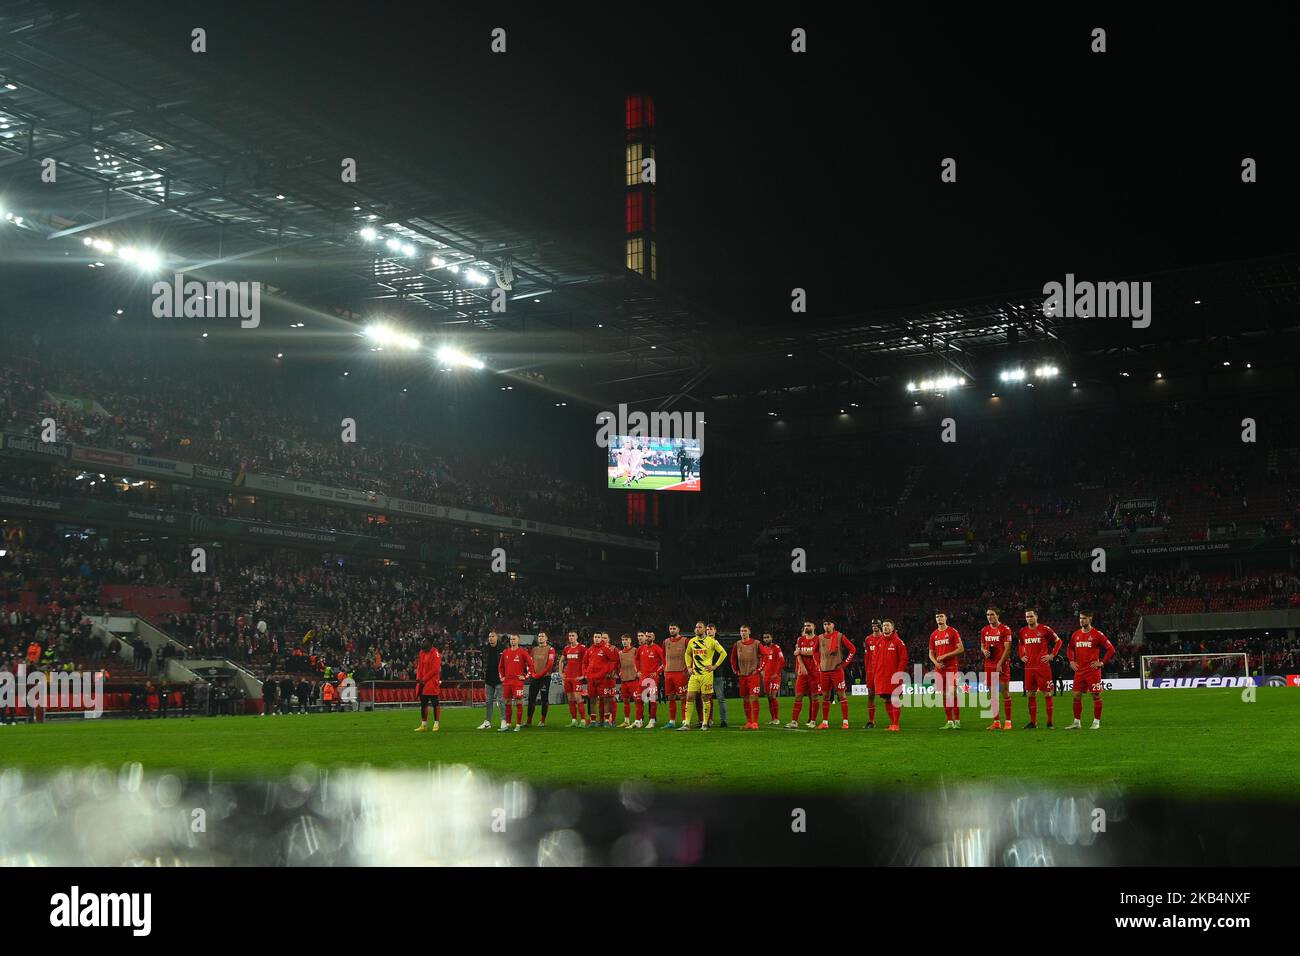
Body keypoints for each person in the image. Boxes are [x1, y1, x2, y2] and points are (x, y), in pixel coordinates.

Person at [1065, 611, 1115, 730]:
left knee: (1096, 696)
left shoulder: (1097, 634)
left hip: (1093, 671)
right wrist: (1071, 661)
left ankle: (1096, 721)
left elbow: (1111, 649)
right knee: (1076, 696)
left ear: (1090, 619)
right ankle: (1077, 722)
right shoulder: (1076, 634)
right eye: (1080, 618)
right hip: (1079, 671)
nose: (1082, 620)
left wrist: (1101, 662)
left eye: (1084, 618)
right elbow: (1070, 649)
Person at [678, 620, 726, 731]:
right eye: (696, 627)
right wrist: (689, 667)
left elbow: (723, 653)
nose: (697, 629)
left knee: (705, 698)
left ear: (704, 629)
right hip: (695, 674)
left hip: (706, 675)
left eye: (700, 627)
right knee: (689, 697)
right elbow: (687, 653)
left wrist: (715, 666)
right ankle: (687, 724)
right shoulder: (692, 641)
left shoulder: (711, 641)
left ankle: (705, 723)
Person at [1018, 608, 1062, 729]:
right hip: (1029, 668)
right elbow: (1021, 644)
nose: (1029, 619)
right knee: (1030, 694)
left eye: (1031, 616)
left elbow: (1058, 641)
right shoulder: (1023, 631)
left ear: (1036, 616)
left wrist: (1052, 655)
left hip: (1042, 667)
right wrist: (1022, 655)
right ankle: (1033, 722)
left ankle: (1049, 722)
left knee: (1047, 694)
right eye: (1027, 617)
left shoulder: (1045, 629)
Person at [816, 618, 856, 730]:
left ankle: (845, 721)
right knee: (825, 696)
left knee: (842, 695)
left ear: (833, 625)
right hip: (824, 671)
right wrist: (817, 663)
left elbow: (853, 649)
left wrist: (844, 664)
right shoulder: (819, 638)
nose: (826, 626)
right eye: (824, 624)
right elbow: (814, 651)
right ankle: (825, 722)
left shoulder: (839, 636)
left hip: (836, 671)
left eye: (829, 624)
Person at [869, 620, 908, 731]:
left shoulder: (898, 642)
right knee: (886, 700)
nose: (885, 627)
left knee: (894, 699)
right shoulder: (879, 642)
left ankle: (896, 724)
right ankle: (893, 723)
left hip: (894, 676)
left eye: (888, 625)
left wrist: (899, 673)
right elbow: (874, 660)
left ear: (892, 627)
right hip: (881, 677)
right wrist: (875, 673)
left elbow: (903, 659)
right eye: (884, 625)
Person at [979, 607, 1014, 730]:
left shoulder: (1005, 629)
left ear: (998, 615)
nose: (989, 617)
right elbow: (982, 645)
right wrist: (984, 651)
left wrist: (1000, 663)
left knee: (1005, 692)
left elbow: (1007, 649)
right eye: (988, 614)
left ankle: (1008, 721)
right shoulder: (984, 630)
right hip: (989, 665)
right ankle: (996, 721)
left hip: (1002, 665)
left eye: (992, 614)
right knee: (992, 694)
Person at [929, 611, 965, 729]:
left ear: (946, 618)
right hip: (939, 669)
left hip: (951, 667)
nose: (939, 618)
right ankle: (949, 721)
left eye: (941, 616)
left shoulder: (952, 631)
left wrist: (945, 656)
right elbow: (931, 653)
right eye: (937, 617)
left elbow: (960, 649)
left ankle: (958, 721)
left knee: (953, 693)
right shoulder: (933, 634)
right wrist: (936, 663)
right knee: (944, 695)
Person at [787, 621, 821, 728]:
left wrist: (800, 652)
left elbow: (814, 653)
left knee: (814, 696)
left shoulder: (818, 639)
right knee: (798, 696)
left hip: (815, 672)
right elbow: (797, 655)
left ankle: (813, 721)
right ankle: (794, 721)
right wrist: (802, 667)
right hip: (803, 673)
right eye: (805, 626)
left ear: (814, 627)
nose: (806, 627)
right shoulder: (800, 639)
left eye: (809, 625)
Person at [729, 625, 764, 730]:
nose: (743, 633)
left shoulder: (756, 643)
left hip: (753, 675)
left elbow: (765, 656)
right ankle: (749, 722)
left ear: (749, 632)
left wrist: (759, 670)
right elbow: (733, 659)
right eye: (741, 631)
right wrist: (736, 671)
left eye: (745, 631)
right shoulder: (737, 644)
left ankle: (755, 722)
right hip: (742, 676)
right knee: (745, 699)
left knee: (753, 697)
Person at [498, 634, 532, 732]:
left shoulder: (523, 652)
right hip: (507, 682)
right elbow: (500, 667)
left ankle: (518, 724)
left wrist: (525, 676)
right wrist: (502, 677)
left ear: (518, 640)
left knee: (519, 703)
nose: (512, 641)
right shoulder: (505, 652)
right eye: (511, 639)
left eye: (514, 639)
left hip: (517, 683)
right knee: (507, 702)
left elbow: (531, 665)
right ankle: (508, 724)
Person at [525, 631, 556, 727]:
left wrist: (539, 674)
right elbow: (530, 663)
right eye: (539, 636)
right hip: (535, 677)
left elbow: (550, 664)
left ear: (546, 638)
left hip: (545, 678)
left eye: (542, 636)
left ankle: (542, 721)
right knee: (531, 699)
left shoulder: (550, 649)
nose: (540, 638)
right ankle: (528, 721)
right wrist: (533, 673)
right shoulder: (534, 650)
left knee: (544, 699)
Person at [635, 630, 664, 728]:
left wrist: (657, 672)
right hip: (642, 678)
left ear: (653, 638)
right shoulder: (641, 648)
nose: (647, 638)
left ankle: (652, 720)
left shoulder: (657, 649)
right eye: (646, 636)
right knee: (639, 699)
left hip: (653, 679)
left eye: (649, 637)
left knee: (652, 700)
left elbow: (665, 662)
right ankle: (638, 721)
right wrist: (638, 670)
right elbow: (636, 659)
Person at [661, 623, 688, 728]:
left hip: (681, 673)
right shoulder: (666, 642)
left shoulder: (685, 641)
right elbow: (663, 656)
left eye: (674, 628)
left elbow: (691, 654)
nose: (672, 630)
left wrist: (688, 667)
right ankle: (671, 721)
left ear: (678, 629)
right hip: (669, 673)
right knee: (671, 697)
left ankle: (685, 720)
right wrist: (664, 668)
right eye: (670, 629)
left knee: (683, 697)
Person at [560, 630, 588, 726]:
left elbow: (588, 662)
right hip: (568, 678)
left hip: (577, 678)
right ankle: (574, 720)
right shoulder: (566, 648)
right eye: (569, 636)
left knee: (578, 698)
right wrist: (561, 673)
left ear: (577, 637)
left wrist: (584, 675)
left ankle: (583, 720)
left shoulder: (582, 648)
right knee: (570, 699)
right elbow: (561, 661)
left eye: (573, 635)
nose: (571, 637)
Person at [478, 631, 506, 730]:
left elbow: (505, 664)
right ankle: (487, 722)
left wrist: (504, 676)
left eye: (492, 636)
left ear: (497, 637)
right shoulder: (485, 649)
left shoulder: (503, 649)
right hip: (488, 679)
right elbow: (482, 663)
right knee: (488, 702)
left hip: (499, 679)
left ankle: (504, 721)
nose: (490, 638)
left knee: (501, 701)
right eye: (489, 636)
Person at [414, 637, 442, 732]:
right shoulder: (422, 652)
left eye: (424, 641)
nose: (422, 643)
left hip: (431, 682)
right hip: (422, 682)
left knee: (435, 703)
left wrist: (424, 679)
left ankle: (436, 723)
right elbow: (419, 666)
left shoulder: (436, 654)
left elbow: (435, 669)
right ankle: (423, 724)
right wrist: (418, 678)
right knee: (423, 704)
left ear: (430, 643)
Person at [759, 632, 785, 725]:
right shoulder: (763, 649)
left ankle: (777, 718)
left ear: (771, 638)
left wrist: (777, 673)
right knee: (769, 697)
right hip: (766, 676)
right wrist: (761, 671)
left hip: (775, 676)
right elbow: (762, 661)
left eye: (767, 637)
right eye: (764, 637)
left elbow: (782, 660)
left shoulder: (776, 648)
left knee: (773, 696)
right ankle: (773, 718)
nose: (766, 639)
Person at [616, 633, 640, 728]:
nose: (624, 641)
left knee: (637, 701)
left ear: (630, 640)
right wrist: (619, 672)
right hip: (624, 681)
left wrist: (638, 672)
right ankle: (626, 721)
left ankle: (638, 721)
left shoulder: (635, 651)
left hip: (634, 680)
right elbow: (618, 665)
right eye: (623, 640)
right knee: (625, 701)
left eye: (626, 639)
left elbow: (640, 662)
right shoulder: (620, 653)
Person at [863, 620, 884, 728]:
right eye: (873, 625)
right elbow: (866, 657)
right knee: (870, 696)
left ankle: (894, 721)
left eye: (877, 625)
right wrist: (867, 671)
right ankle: (871, 721)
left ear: (880, 626)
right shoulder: (868, 639)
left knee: (887, 696)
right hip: (871, 672)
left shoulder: (884, 638)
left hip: (883, 671)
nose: (874, 626)